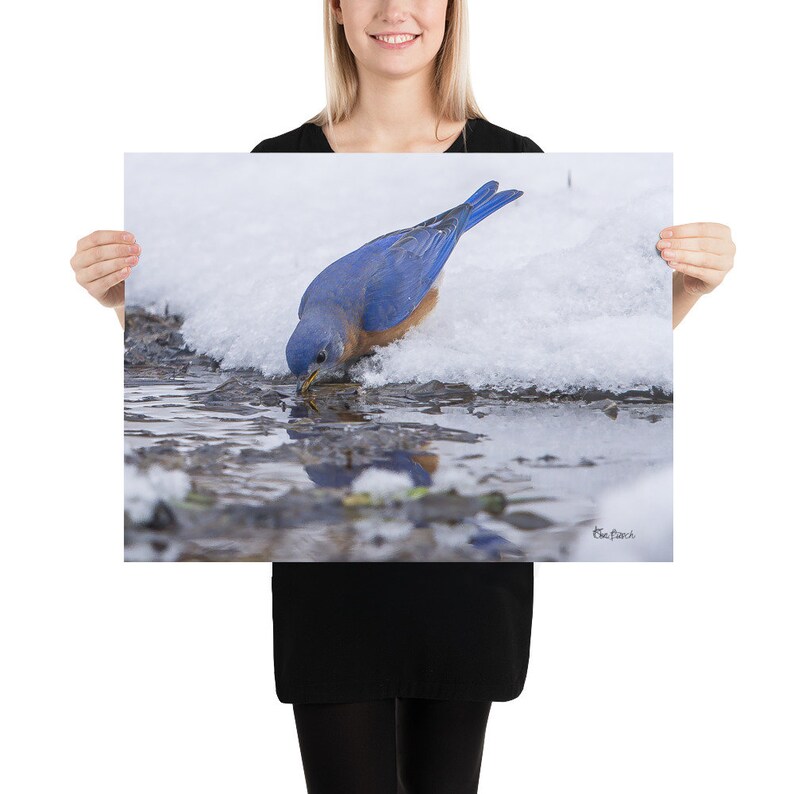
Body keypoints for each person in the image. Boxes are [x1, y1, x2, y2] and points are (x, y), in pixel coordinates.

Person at [70, 2, 735, 792]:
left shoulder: (503, 164)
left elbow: (570, 324)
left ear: (453, 13)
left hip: (463, 586)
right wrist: (116, 300)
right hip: (333, 589)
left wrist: (686, 292)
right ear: (337, 12)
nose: (394, 8)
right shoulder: (280, 159)